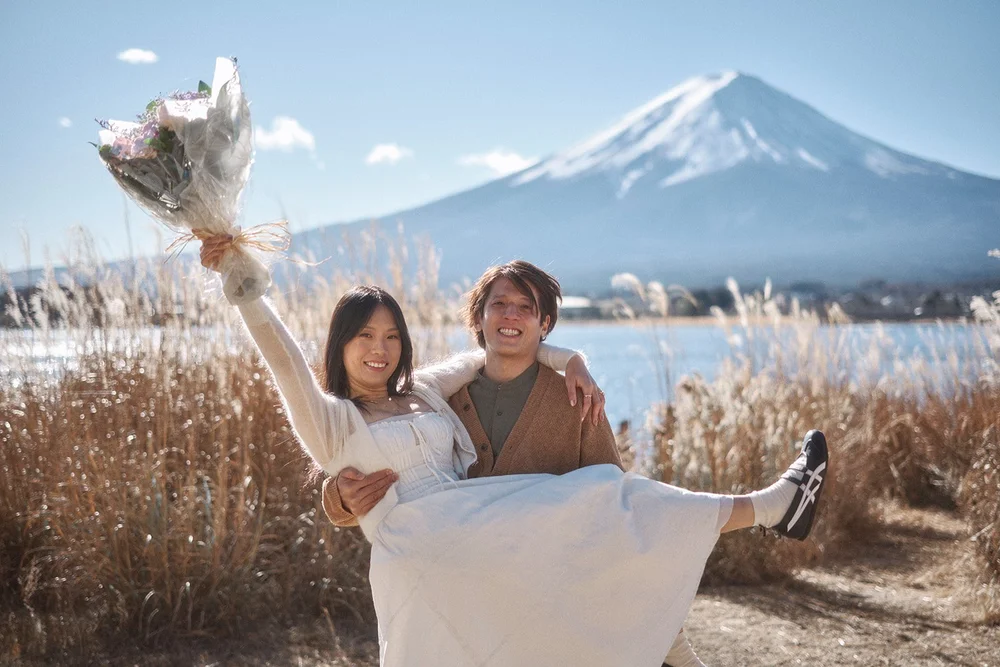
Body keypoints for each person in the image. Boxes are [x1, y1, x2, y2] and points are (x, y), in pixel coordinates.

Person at [200, 242, 828, 667]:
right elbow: (282, 361)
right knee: (602, 500)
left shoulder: (421, 391)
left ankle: (774, 507)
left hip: (478, 528)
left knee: (608, 499)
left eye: (391, 336)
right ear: (339, 345)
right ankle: (772, 507)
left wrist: (570, 358)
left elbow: (493, 353)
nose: (379, 349)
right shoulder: (334, 421)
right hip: (427, 544)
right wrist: (242, 280)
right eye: (364, 336)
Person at [322, 261, 708, 665]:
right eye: (500, 304)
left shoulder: (575, 400)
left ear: (544, 324)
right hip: (459, 600)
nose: (511, 315)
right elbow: (377, 463)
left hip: (549, 601)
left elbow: (616, 507)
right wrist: (340, 499)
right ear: (479, 317)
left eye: (526, 307)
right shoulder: (440, 402)